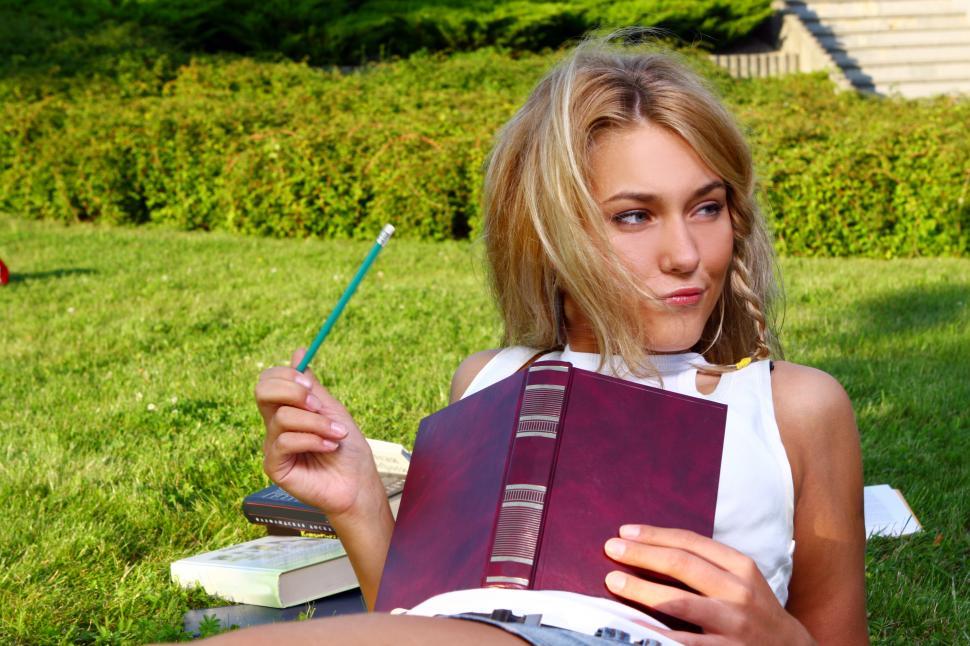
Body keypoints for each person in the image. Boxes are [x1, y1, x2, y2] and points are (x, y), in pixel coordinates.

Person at [234, 36, 868, 645]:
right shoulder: (490, 383)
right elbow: (430, 622)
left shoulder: (793, 408)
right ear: (548, 238)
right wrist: (360, 507)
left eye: (707, 207)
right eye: (633, 216)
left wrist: (781, 638)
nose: (686, 254)